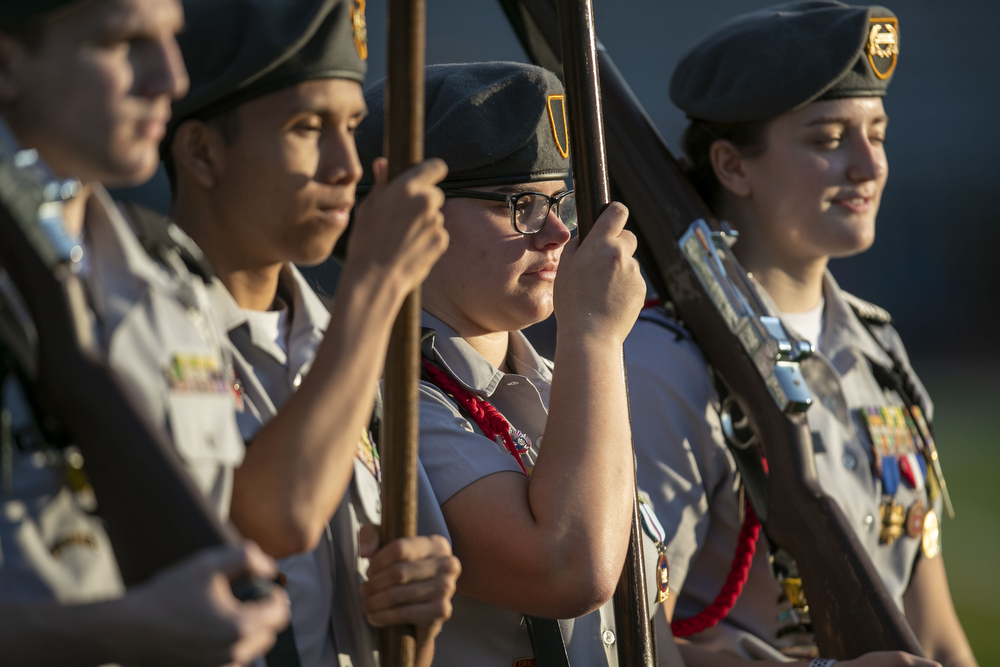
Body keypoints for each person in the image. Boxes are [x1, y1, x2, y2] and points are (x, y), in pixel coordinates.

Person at [625, 2, 976, 666]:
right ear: (733, 166)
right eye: (827, 139)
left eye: (878, 134)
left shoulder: (879, 353)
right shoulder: (665, 364)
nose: (869, 166)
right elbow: (634, 638)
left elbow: (932, 629)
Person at [162, 0, 461, 665]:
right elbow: (279, 517)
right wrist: (373, 288)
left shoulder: (341, 337)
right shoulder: (136, 330)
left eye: (353, 126)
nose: (348, 166)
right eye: (307, 127)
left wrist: (416, 612)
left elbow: (390, 623)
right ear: (203, 151)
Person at [354, 61, 671, 667]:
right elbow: (567, 569)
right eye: (517, 203)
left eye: (560, 202)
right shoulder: (387, 401)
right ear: (414, 215)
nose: (556, 233)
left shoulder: (563, 386)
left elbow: (655, 643)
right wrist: (595, 336)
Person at [0, 0, 289, 664]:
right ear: (7, 66)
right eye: (124, 41)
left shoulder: (173, 280)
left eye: (171, 39)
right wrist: (113, 630)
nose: (173, 77)